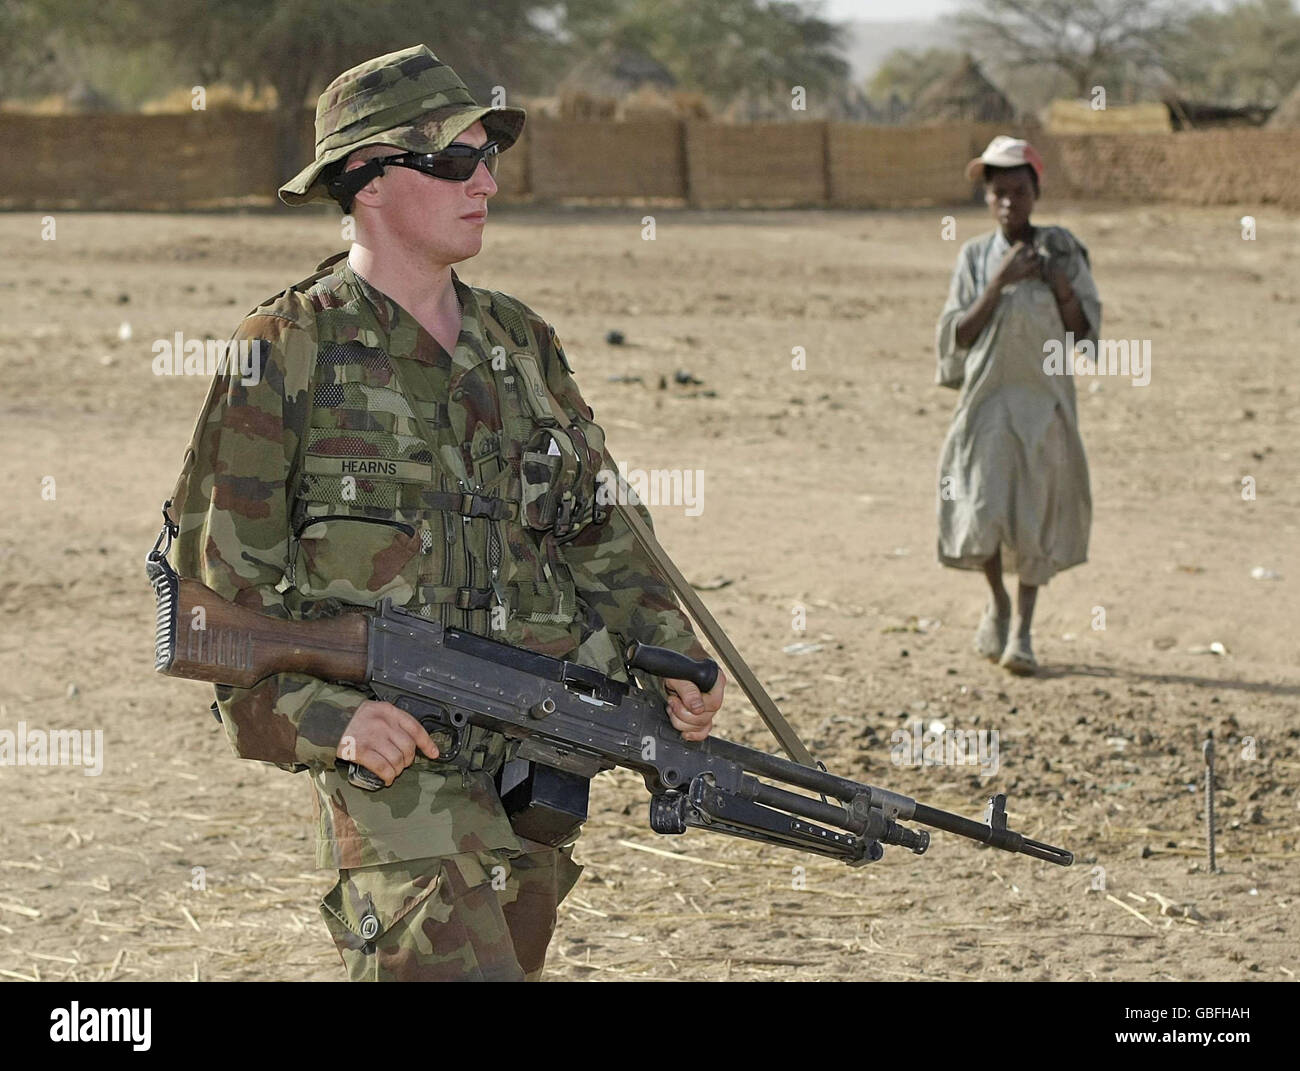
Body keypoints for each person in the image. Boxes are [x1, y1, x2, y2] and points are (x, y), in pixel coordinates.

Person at [166, 44, 725, 981]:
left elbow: (606, 532)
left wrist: (674, 659)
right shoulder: (286, 349)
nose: (487, 182)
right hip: (397, 793)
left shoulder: (523, 342)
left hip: (539, 767)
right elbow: (211, 607)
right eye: (454, 160)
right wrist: (329, 720)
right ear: (367, 181)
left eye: (489, 156)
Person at [934, 136, 1101, 675]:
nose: (1008, 202)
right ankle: (998, 604)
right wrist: (1000, 281)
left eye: (1017, 191)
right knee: (982, 510)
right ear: (987, 200)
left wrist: (1058, 285)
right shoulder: (976, 257)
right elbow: (957, 333)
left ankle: (1023, 631)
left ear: (1036, 191)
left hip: (1043, 406)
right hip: (986, 404)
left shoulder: (1064, 250)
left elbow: (1085, 334)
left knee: (1035, 517)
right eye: (997, 193)